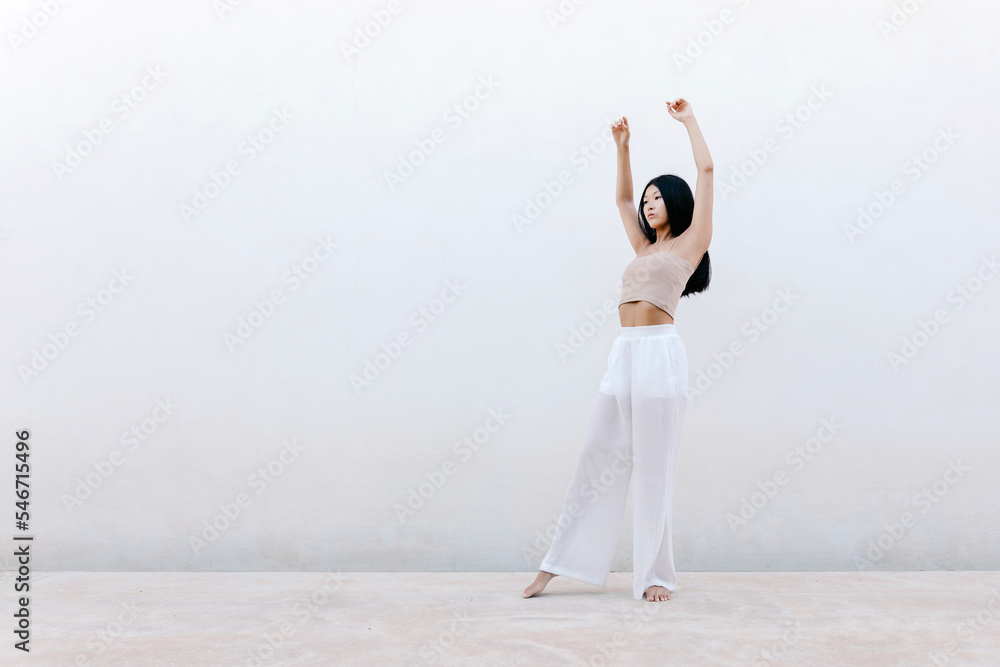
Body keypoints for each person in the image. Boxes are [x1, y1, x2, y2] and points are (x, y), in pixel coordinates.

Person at [523, 99, 713, 602]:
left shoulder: (690, 244)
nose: (648, 204)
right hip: (624, 352)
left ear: (677, 202)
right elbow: (622, 203)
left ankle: (654, 575)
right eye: (648, 198)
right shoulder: (645, 247)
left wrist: (688, 121)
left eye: (657, 198)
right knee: (598, 453)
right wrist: (622, 148)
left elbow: (707, 168)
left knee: (654, 464)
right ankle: (559, 563)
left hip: (660, 356)